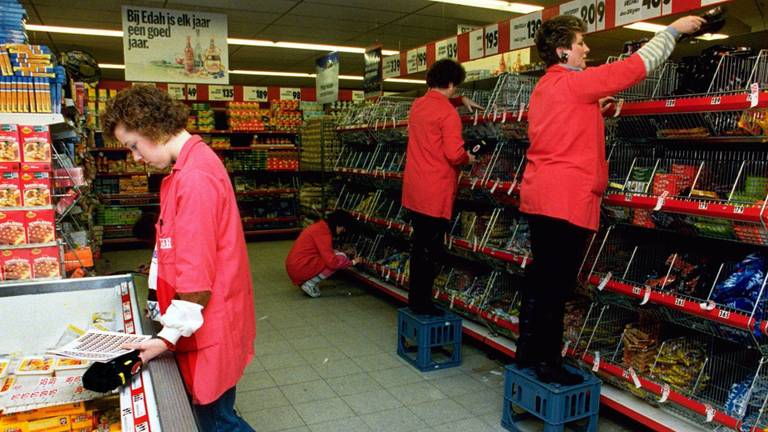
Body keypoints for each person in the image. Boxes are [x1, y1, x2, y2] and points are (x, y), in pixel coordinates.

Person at [516, 14, 706, 385]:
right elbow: (633, 68)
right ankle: (548, 365)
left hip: (540, 196)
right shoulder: (573, 84)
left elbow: (562, 123)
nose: (587, 50)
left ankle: (528, 350)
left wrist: (592, 105)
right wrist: (672, 32)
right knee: (556, 286)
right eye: (581, 44)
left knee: (540, 279)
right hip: (565, 200)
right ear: (562, 51)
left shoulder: (545, 88)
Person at [101, 85, 256, 432]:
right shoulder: (187, 168)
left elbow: (196, 275)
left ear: (152, 127)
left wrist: (164, 339)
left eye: (133, 145)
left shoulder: (195, 178)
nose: (136, 157)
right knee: (216, 414)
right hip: (205, 320)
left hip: (207, 324)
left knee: (219, 422)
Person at [402, 59, 484, 316]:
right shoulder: (447, 114)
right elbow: (453, 154)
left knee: (419, 248)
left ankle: (415, 300)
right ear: (451, 83)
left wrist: (460, 101)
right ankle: (422, 304)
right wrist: (468, 158)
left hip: (415, 188)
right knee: (431, 252)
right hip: (435, 190)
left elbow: (436, 109)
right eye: (456, 88)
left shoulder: (418, 105)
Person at [285, 210, 361, 297]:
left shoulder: (320, 227)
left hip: (296, 265)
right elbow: (332, 262)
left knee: (337, 254)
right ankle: (309, 284)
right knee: (340, 258)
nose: (343, 231)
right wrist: (353, 262)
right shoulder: (324, 233)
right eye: (343, 228)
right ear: (338, 224)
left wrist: (343, 251)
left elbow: (325, 250)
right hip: (300, 268)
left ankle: (306, 282)